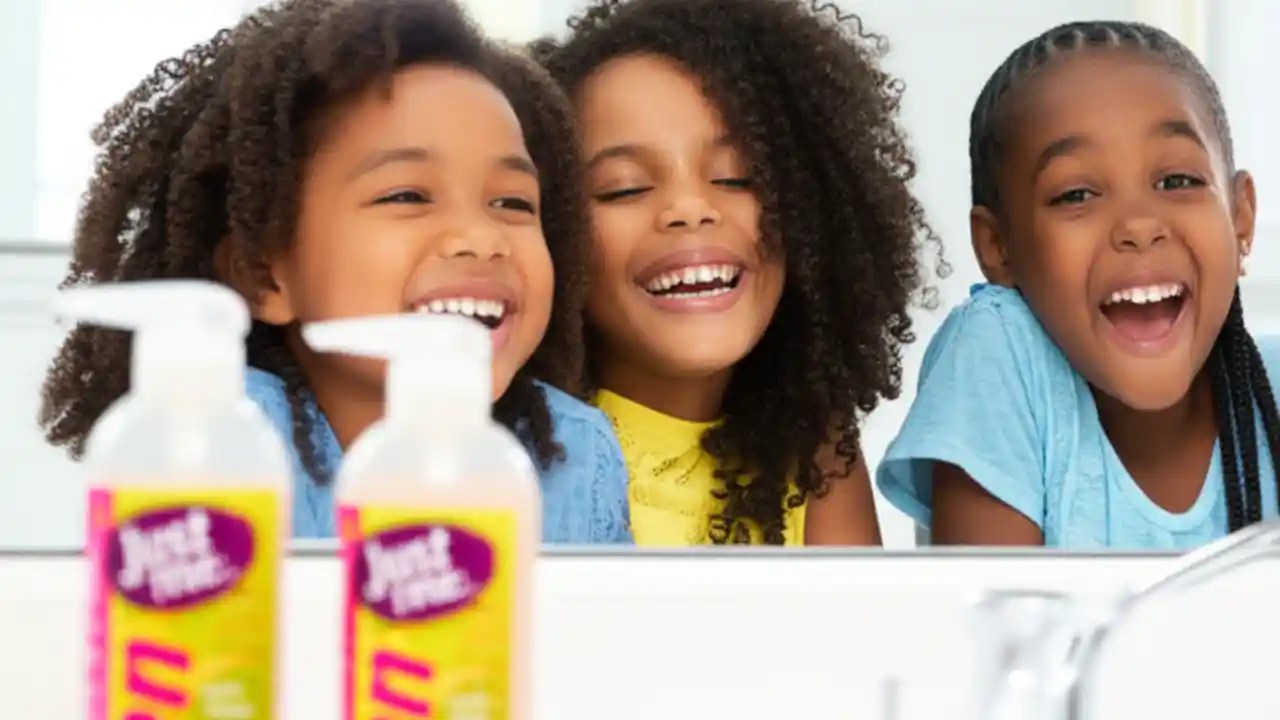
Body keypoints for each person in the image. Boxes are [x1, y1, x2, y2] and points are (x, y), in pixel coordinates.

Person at [39, 0, 631, 545]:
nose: (482, 238)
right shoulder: (217, 440)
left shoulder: (574, 453)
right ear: (265, 277)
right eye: (406, 195)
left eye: (513, 203)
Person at [533, 0, 942, 545]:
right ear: (551, 228)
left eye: (736, 177)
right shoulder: (521, 448)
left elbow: (857, 631)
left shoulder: (812, 453)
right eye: (623, 187)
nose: (690, 208)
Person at [877, 20, 1279, 549]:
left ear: (1240, 218)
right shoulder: (998, 353)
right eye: (1077, 195)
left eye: (1176, 181)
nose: (1138, 225)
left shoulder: (1266, 386)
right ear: (998, 247)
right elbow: (999, 626)